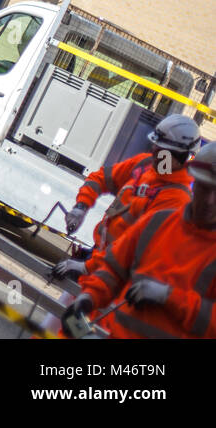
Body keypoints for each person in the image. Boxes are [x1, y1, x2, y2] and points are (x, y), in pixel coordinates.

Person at [62, 140, 216, 339]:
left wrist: (169, 297)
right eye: (205, 188)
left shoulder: (174, 197)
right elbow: (114, 269)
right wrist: (88, 298)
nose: (210, 200)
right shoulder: (159, 222)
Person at [53, 115, 200, 280]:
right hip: (97, 260)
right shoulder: (144, 165)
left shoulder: (176, 199)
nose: (155, 152)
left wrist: (87, 267)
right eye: (156, 146)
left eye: (162, 151)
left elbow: (136, 249)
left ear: (183, 158)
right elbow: (100, 178)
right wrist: (81, 207)